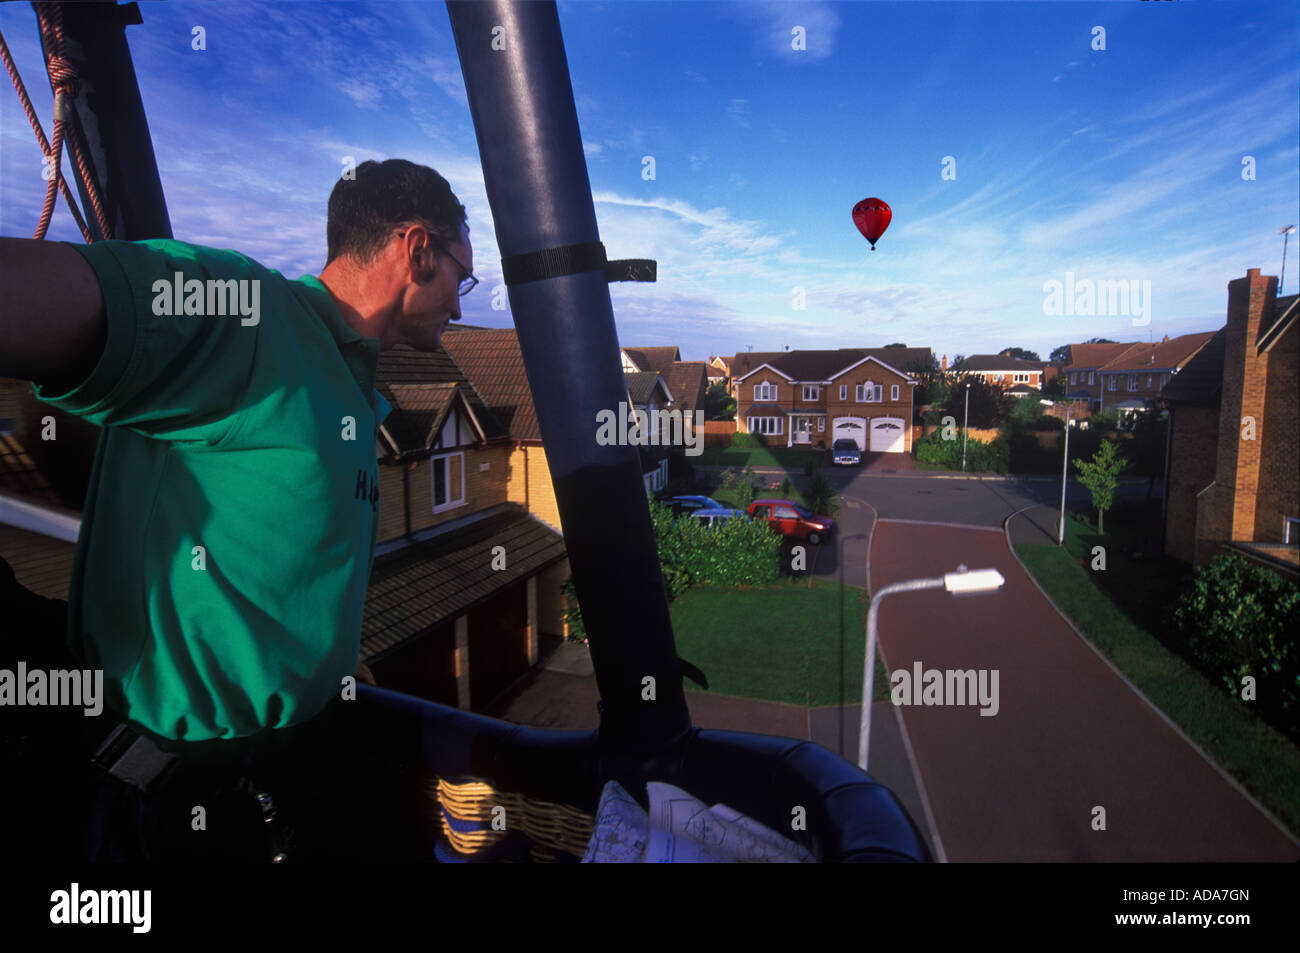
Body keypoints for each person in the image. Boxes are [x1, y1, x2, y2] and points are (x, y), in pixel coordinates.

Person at [0, 158, 475, 860]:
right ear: (417, 249)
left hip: (270, 786)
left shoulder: (347, 382)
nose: (462, 306)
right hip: (160, 812)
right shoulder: (246, 316)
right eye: (462, 277)